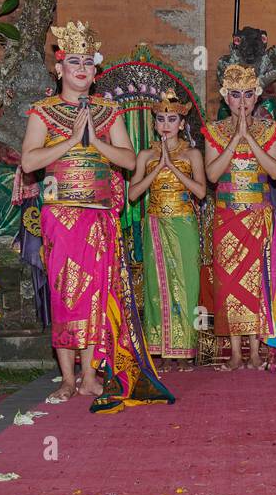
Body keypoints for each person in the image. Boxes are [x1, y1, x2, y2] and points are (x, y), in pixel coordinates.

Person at [21, 20, 171, 411]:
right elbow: (29, 160)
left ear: (95, 69)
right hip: (61, 214)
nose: (82, 69)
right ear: (60, 68)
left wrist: (95, 142)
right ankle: (67, 379)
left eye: (88, 62)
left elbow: (128, 158)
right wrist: (72, 140)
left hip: (98, 215)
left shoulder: (108, 111)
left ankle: (89, 377)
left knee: (95, 296)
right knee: (65, 294)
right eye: (74, 62)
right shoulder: (43, 112)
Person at [203, 64, 276, 371]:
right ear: (226, 98)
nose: (242, 102)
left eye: (248, 95)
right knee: (230, 284)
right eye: (235, 95)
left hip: (258, 216)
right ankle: (235, 352)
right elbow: (212, 174)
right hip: (228, 217)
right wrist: (235, 138)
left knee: (259, 285)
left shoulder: (270, 130)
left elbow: (274, 172)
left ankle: (258, 351)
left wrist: (250, 137)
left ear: (257, 97)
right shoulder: (213, 131)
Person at [128, 89, 205, 371]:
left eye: (172, 119)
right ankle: (162, 352)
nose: (166, 125)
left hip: (183, 224)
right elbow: (133, 194)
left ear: (182, 123)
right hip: (155, 224)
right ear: (155, 122)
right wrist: (157, 167)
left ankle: (184, 352)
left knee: (186, 285)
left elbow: (201, 191)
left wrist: (173, 168)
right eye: (160, 119)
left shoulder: (192, 154)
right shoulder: (146, 155)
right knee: (156, 286)